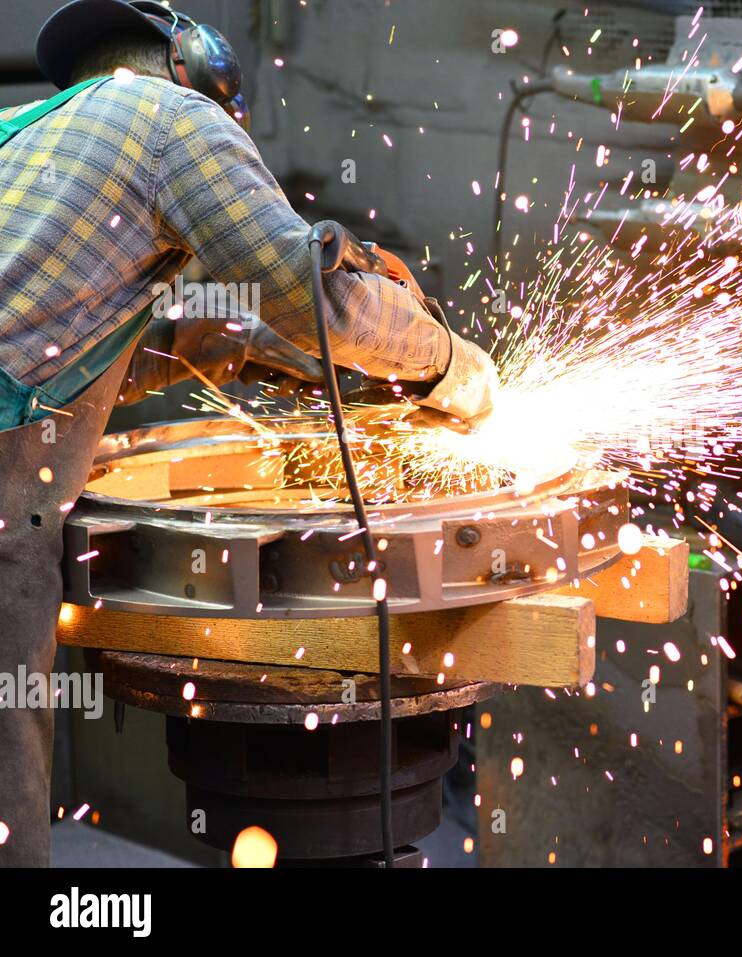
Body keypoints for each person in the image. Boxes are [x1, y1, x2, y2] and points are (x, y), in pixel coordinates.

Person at [0, 0, 496, 867]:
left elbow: (88, 341)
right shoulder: (172, 117)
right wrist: (451, 367)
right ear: (194, 63)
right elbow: (311, 289)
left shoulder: (23, 134)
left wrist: (236, 345)